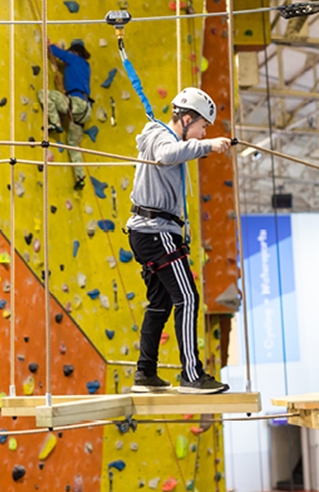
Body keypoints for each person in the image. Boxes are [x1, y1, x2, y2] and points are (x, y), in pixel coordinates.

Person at [126, 88, 231, 394]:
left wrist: (205, 144)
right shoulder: (162, 138)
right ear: (187, 119)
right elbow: (166, 155)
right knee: (187, 298)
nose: (202, 133)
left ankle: (145, 373)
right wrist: (207, 146)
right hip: (155, 231)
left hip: (150, 231)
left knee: (159, 303)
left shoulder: (164, 137)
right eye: (202, 127)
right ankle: (192, 375)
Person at [40, 40, 93, 190]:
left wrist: (51, 45)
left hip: (75, 103)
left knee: (44, 94)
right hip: (85, 109)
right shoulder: (85, 67)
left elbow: (55, 52)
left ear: (74, 52)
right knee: (73, 145)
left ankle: (55, 123)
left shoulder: (74, 58)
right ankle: (80, 176)